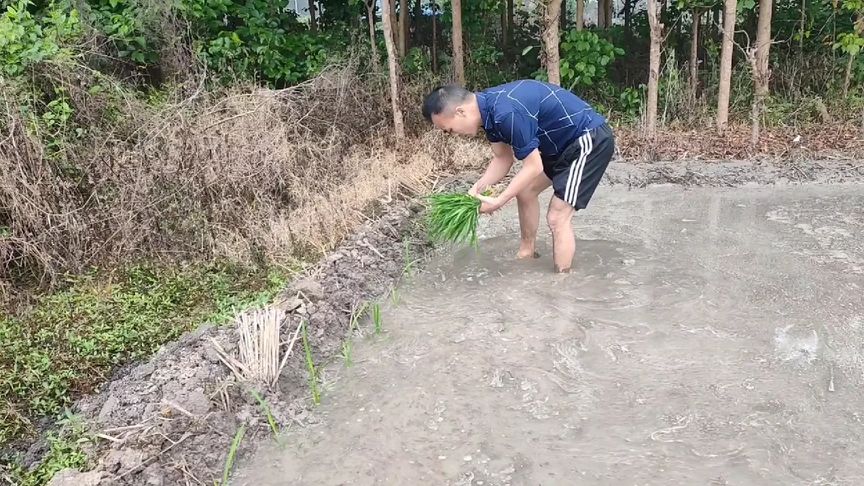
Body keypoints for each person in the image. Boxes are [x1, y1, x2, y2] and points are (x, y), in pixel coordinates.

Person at [421, 80, 615, 273]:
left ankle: (562, 282)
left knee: (557, 217)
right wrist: (476, 190)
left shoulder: (506, 113)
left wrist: (499, 200)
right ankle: (527, 252)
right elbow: (503, 159)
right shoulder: (488, 112)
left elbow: (534, 166)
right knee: (525, 192)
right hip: (559, 146)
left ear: (460, 112)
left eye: (449, 130)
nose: (452, 134)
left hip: (587, 139)